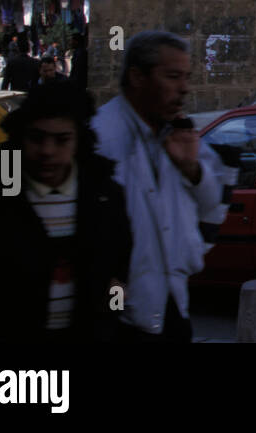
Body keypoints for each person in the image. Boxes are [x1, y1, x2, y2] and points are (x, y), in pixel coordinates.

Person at [0, 82, 132, 340]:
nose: (47, 151)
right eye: (37, 138)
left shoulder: (105, 199)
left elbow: (119, 273)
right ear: (21, 136)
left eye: (61, 140)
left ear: (78, 140)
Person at [93, 31, 223, 342]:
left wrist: (192, 169)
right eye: (173, 76)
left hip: (171, 305)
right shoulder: (102, 137)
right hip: (122, 318)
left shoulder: (176, 133)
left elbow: (211, 203)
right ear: (138, 77)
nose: (184, 88)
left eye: (186, 77)